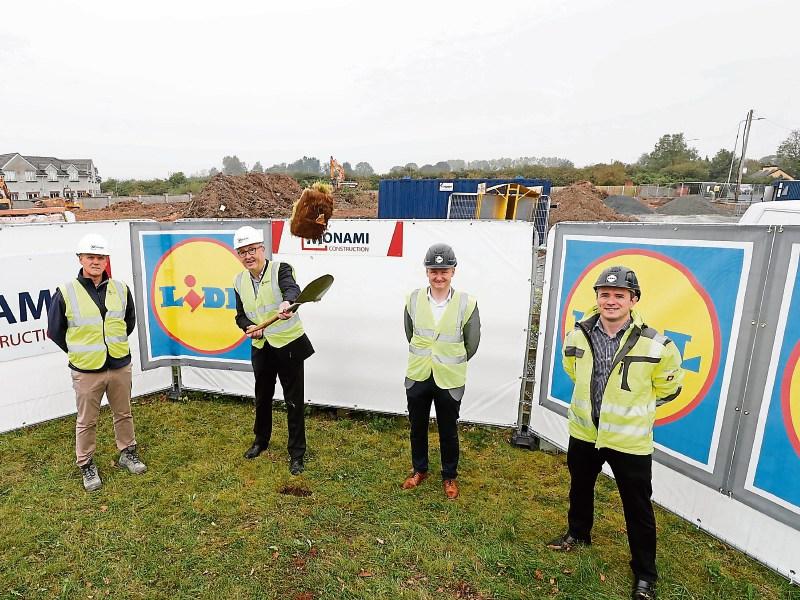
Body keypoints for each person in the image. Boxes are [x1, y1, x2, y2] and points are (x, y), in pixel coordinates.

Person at [547, 265, 684, 600]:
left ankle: (645, 575)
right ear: (596, 298)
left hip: (629, 440)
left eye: (619, 295)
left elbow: (670, 387)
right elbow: (572, 370)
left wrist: (634, 411)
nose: (610, 301)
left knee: (637, 507)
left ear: (633, 300)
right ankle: (578, 534)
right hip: (584, 433)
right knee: (580, 488)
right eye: (604, 294)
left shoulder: (657, 345)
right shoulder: (577, 334)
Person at [47, 233, 146, 492]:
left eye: (100, 257)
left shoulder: (121, 289)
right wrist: (81, 353)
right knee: (86, 420)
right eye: (91, 257)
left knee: (123, 413)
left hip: (119, 365)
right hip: (87, 370)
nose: (96, 261)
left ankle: (128, 452)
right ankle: (87, 464)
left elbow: (128, 322)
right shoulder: (66, 292)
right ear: (80, 259)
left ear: (106, 260)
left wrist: (113, 347)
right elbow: (56, 331)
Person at [232, 225, 314, 475]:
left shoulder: (281, 269)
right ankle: (261, 441)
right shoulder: (238, 281)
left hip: (288, 345)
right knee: (262, 397)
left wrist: (287, 303)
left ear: (262, 249)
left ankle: (297, 453)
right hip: (261, 347)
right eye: (242, 252)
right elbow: (240, 316)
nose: (248, 256)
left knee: (293, 401)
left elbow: (293, 290)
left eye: (252, 250)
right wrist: (249, 327)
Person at [401, 243, 481, 499]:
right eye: (434, 270)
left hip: (450, 377)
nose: (438, 276)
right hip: (418, 375)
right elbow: (409, 333)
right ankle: (419, 469)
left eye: (444, 271)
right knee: (417, 426)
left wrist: (449, 359)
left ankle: (449, 476)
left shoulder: (467, 303)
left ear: (453, 271)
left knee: (448, 429)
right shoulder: (412, 299)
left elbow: (472, 342)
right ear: (427, 271)